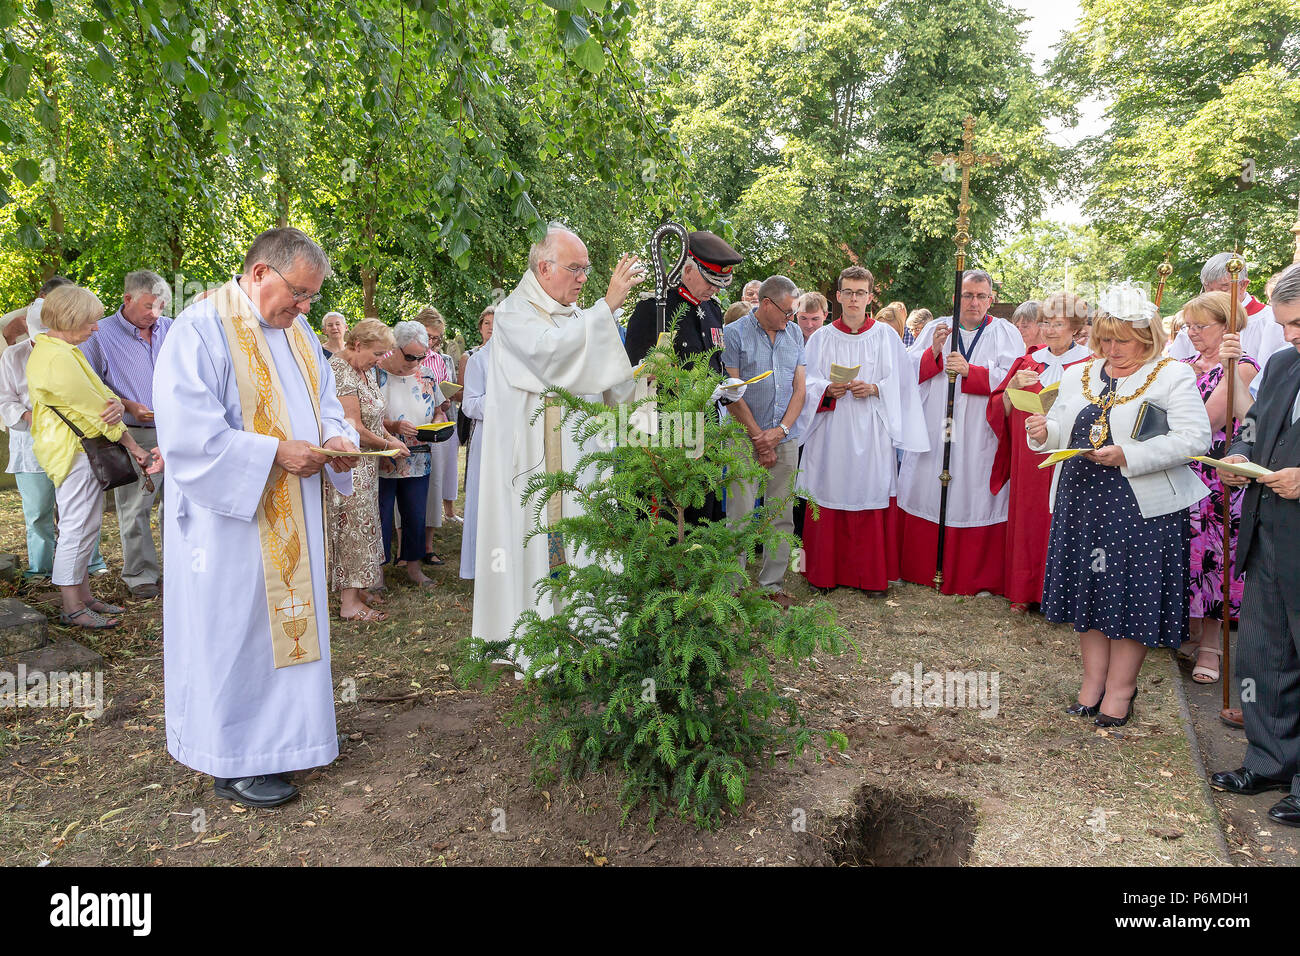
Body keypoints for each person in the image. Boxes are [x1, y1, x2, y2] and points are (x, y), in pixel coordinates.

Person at [155, 227, 360, 809]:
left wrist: (336, 437)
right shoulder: (201, 329)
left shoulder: (295, 337)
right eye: (297, 293)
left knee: (289, 632)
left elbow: (321, 401)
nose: (303, 308)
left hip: (292, 514)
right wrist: (275, 453)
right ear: (260, 272)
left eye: (312, 298)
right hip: (231, 525)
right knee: (238, 632)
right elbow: (189, 436)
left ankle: (288, 741)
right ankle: (235, 757)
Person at [1027, 283, 1211, 726]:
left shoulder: (1173, 375)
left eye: (1122, 340)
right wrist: (1042, 433)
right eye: (1105, 339)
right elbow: (1063, 429)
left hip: (1141, 506)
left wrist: (1127, 454)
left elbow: (1194, 440)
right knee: (1088, 590)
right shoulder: (1078, 374)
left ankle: (1120, 691)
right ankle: (1092, 685)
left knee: (1131, 596)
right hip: (1083, 498)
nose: (1112, 348)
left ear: (1147, 337)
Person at [472, 222, 642, 674]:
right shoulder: (513, 314)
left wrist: (642, 377)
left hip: (582, 465)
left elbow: (606, 380)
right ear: (544, 268)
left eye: (587, 269)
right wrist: (607, 308)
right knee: (539, 545)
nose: (584, 278)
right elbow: (551, 357)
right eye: (576, 268)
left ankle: (592, 632)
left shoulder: (577, 316)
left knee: (584, 538)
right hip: (535, 466)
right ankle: (539, 640)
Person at [1209, 263, 1300, 825]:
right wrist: (1240, 457)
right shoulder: (1283, 363)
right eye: (1286, 325)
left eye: (1299, 325)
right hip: (1267, 537)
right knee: (1263, 659)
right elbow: (1254, 424)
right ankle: (1269, 760)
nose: (1289, 335)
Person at [27, 284, 159, 629]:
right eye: (89, 321)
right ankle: (72, 606)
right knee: (76, 527)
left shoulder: (61, 350)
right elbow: (98, 410)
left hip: (77, 449)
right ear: (70, 319)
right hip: (75, 450)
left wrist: (116, 403)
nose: (96, 328)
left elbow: (104, 396)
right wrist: (134, 446)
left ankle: (84, 597)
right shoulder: (57, 357)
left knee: (87, 524)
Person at [794, 266, 927, 593]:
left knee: (869, 491)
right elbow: (804, 383)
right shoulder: (822, 338)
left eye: (860, 293)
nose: (854, 299)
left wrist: (877, 388)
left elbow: (904, 383)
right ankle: (822, 573)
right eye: (848, 293)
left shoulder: (885, 337)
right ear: (837, 297)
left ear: (870, 297)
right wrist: (826, 389)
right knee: (828, 489)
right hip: (831, 430)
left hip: (871, 428)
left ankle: (870, 576)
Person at [898, 270, 1023, 595]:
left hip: (979, 430)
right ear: (956, 298)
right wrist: (934, 353)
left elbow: (1015, 377)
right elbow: (908, 373)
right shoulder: (936, 328)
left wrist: (973, 372)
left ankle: (975, 577)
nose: (974, 302)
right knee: (928, 485)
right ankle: (921, 567)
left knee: (973, 491)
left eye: (981, 296)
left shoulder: (1005, 333)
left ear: (991, 300)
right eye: (968, 295)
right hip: (936, 426)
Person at [1173, 291, 1260, 683]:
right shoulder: (1182, 365)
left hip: (1217, 476)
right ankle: (1189, 633)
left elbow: (1206, 421)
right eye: (1187, 326)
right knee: (1187, 556)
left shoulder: (1239, 367)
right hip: (1181, 473)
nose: (1191, 333)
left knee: (1214, 563)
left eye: (1200, 326)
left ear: (1226, 326)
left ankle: (1212, 648)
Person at [0, 277, 110, 582]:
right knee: (38, 513)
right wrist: (31, 415)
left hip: (72, 444)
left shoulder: (74, 351)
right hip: (30, 444)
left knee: (78, 512)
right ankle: (41, 570)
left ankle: (88, 564)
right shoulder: (13, 356)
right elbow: (4, 401)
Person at [987, 293, 1092, 611]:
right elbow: (997, 410)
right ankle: (1023, 590)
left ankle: (1064, 596)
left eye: (1057, 323)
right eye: (1044, 322)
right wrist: (1013, 388)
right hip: (1030, 459)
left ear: (1074, 327)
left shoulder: (1090, 364)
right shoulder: (1027, 362)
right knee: (1031, 519)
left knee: (1067, 519)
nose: (1048, 329)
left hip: (1070, 456)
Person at [79, 269, 172, 599]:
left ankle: (174, 571)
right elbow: (88, 387)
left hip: (175, 432)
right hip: (132, 433)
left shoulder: (172, 330)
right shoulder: (99, 334)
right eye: (149, 306)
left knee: (175, 506)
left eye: (160, 306)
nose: (155, 314)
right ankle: (140, 574)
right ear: (127, 299)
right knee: (136, 508)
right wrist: (129, 405)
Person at [723, 275, 806, 608]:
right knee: (740, 514)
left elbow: (800, 389)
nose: (791, 318)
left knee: (781, 514)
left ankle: (771, 585)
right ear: (766, 304)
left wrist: (780, 432)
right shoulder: (734, 334)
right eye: (787, 311)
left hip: (784, 438)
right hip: (743, 438)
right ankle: (731, 589)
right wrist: (758, 436)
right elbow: (731, 390)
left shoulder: (795, 333)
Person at [328, 318, 407, 621]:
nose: (380, 361)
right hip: (349, 463)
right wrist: (386, 447)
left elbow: (374, 421)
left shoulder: (365, 370)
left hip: (368, 463)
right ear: (357, 344)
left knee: (366, 526)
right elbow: (355, 428)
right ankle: (350, 605)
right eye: (376, 354)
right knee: (353, 530)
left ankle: (358, 590)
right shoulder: (341, 371)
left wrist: (392, 440)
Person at [376, 321, 441, 589]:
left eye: (421, 355)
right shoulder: (376, 373)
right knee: (380, 513)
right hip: (384, 454)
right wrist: (392, 426)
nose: (416, 361)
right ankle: (376, 573)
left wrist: (438, 419)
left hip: (418, 454)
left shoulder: (427, 375)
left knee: (415, 513)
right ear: (395, 348)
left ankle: (413, 567)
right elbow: (363, 417)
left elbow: (438, 408)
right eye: (410, 356)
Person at [624, 230, 743, 375]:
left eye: (720, 283)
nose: (716, 289)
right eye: (710, 282)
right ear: (687, 270)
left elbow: (716, 361)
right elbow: (637, 370)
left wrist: (727, 385)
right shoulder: (654, 308)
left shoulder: (713, 308)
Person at [1167, 253, 1286, 365]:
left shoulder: (1271, 321)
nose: (1214, 296)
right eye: (1208, 289)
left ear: (1243, 285)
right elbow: (1174, 366)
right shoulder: (1193, 324)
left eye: (1223, 289)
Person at [416, 306, 460, 547]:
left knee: (434, 482)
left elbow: (444, 391)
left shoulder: (437, 359)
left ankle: (429, 543)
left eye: (436, 338)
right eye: (428, 336)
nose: (432, 342)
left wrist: (444, 398)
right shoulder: (395, 354)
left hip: (435, 424)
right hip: (409, 426)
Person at [459, 309, 495, 579]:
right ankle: (480, 566)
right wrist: (502, 401)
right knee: (485, 500)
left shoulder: (522, 359)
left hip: (515, 438)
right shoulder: (478, 360)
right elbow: (470, 404)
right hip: (487, 436)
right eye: (489, 323)